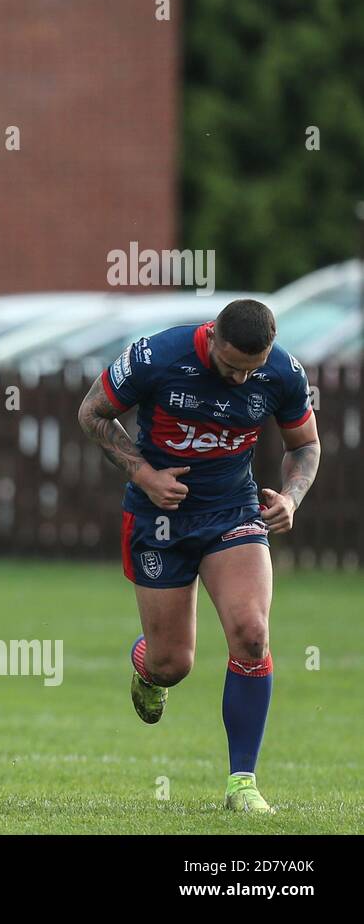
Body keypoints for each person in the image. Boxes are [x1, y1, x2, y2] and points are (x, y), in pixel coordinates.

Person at [77, 298, 320, 813]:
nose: (238, 378)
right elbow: (92, 413)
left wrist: (291, 497)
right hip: (159, 519)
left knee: (252, 635)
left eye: (249, 369)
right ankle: (148, 666)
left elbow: (306, 445)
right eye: (231, 365)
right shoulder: (158, 356)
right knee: (173, 664)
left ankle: (242, 785)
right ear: (211, 338)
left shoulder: (281, 372)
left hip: (234, 512)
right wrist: (145, 476)